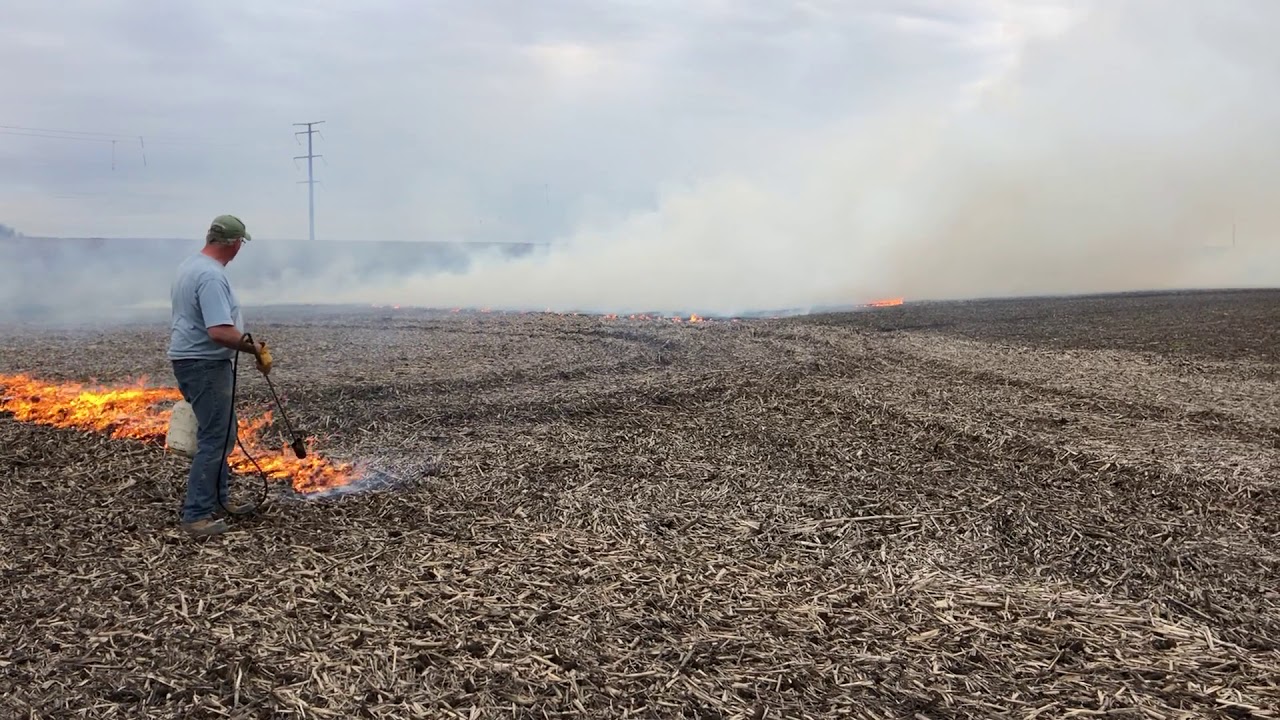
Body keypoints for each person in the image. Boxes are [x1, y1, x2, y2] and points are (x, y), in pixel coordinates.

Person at [167, 214, 272, 536]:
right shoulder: (211, 277)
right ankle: (197, 515)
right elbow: (219, 331)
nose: (240, 248)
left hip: (192, 360)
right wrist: (255, 349)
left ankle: (218, 502)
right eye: (241, 243)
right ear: (234, 243)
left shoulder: (190, 266)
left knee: (221, 433)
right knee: (215, 438)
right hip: (205, 364)